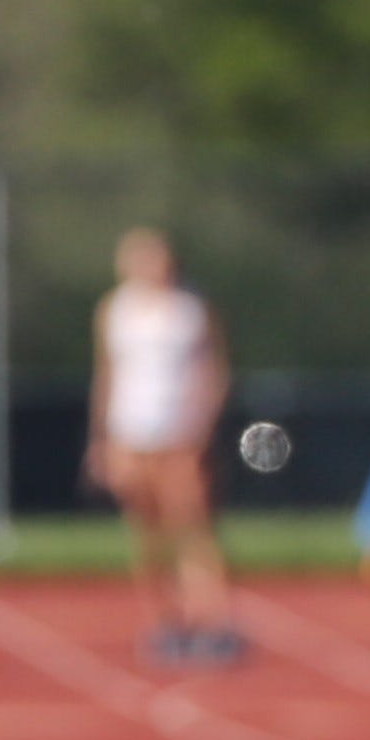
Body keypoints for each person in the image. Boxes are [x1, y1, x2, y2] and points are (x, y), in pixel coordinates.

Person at [87, 228, 236, 662]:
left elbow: (215, 370)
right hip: (131, 434)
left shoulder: (192, 309)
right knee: (147, 532)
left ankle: (212, 621)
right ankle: (164, 623)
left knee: (193, 526)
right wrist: (101, 440)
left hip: (182, 435)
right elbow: (106, 374)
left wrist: (206, 425)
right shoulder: (114, 310)